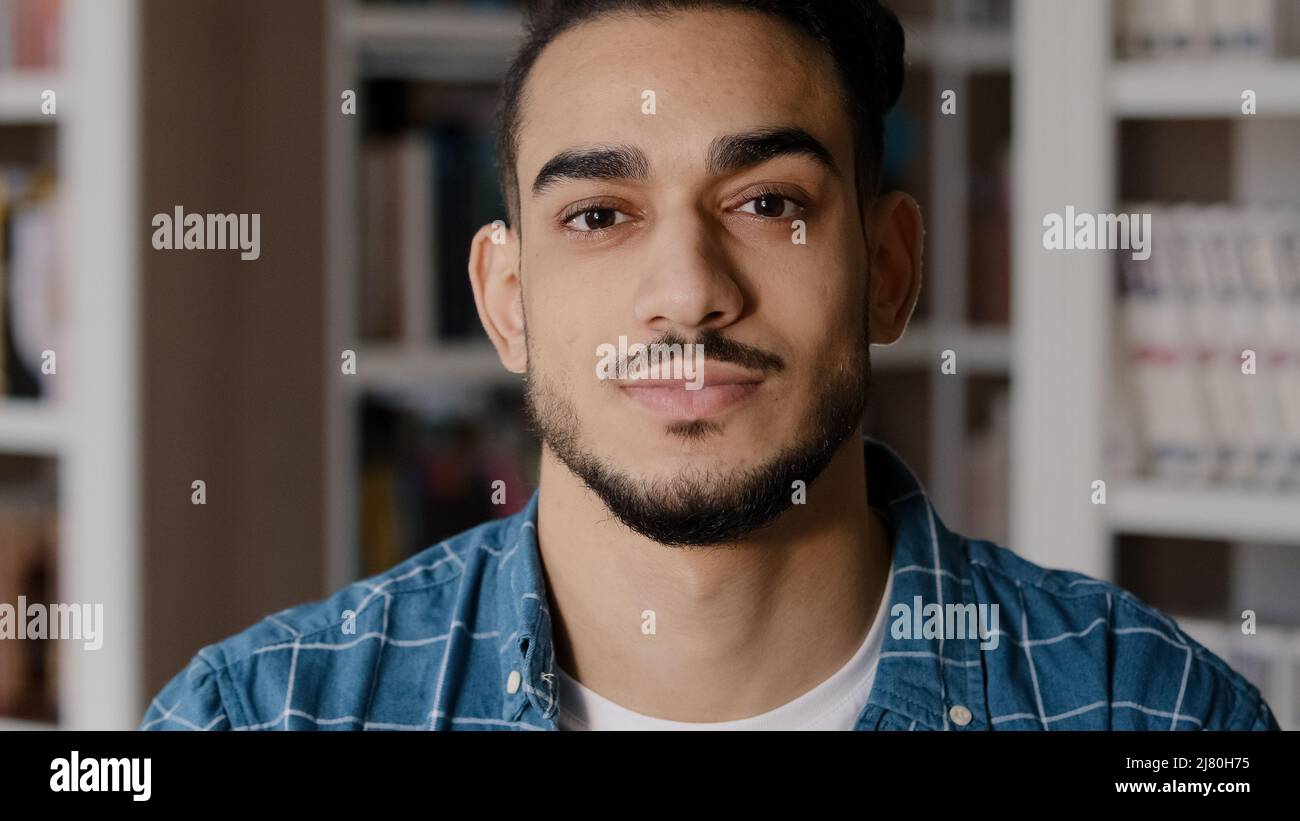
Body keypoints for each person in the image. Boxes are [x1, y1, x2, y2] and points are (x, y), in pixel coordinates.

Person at [141, 0, 1279, 731]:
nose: (687, 288)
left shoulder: (1158, 717)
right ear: (505, 300)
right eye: (598, 214)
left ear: (888, 268)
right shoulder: (256, 716)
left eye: (767, 201)